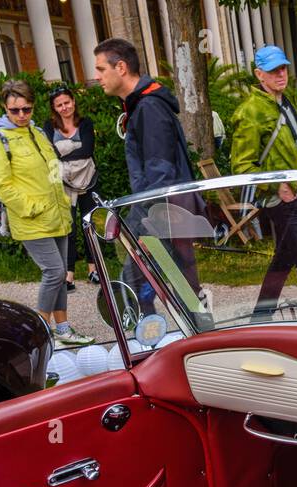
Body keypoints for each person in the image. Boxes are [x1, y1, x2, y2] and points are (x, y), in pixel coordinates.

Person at [93, 37, 202, 313]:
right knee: (179, 288)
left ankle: (155, 346)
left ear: (120, 67)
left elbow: (160, 173)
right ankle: (188, 341)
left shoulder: (149, 108)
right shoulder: (142, 106)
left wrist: (144, 226)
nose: (96, 77)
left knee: (135, 290)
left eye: (101, 69)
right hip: (165, 213)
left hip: (163, 215)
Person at [0, 80, 93, 348]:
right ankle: (39, 336)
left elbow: (54, 171)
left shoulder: (38, 132)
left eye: (27, 109)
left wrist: (63, 206)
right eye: (15, 110)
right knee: (56, 273)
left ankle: (63, 328)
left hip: (58, 215)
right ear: (5, 109)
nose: (21, 115)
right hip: (32, 220)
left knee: (58, 277)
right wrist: (31, 207)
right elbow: (2, 185)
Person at [231, 45, 297, 318]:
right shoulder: (250, 111)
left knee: (284, 258)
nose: (281, 74)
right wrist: (276, 186)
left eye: (283, 68)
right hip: (280, 200)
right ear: (259, 74)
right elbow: (241, 166)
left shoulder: (286, 102)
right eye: (273, 70)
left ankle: (260, 316)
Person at [43, 86, 98, 289]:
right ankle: (69, 274)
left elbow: (87, 149)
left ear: (74, 101)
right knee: (69, 228)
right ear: (54, 108)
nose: (65, 107)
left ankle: (94, 270)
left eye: (67, 102)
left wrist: (63, 154)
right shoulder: (49, 126)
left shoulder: (85, 123)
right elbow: (50, 153)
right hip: (63, 184)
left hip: (87, 180)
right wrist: (74, 150)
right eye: (60, 105)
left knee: (89, 223)